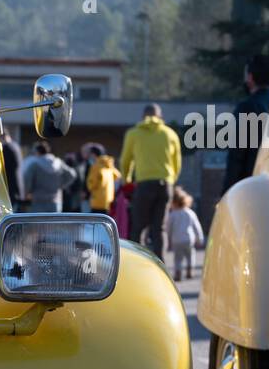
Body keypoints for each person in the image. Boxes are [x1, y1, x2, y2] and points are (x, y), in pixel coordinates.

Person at [120, 103, 181, 259]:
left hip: (144, 185)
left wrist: (126, 179)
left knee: (138, 227)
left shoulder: (134, 133)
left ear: (143, 117)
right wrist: (171, 180)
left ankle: (136, 262)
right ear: (160, 117)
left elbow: (126, 160)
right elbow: (177, 163)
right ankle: (162, 266)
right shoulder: (170, 134)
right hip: (165, 184)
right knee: (159, 229)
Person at [223, 53, 269, 193]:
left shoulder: (248, 107)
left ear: (250, 78)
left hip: (250, 187)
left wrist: (227, 191)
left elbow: (237, 155)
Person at [21, 140, 78, 213]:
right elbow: (72, 174)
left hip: (38, 200)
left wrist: (26, 193)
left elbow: (27, 180)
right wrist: (62, 185)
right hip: (56, 201)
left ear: (37, 152)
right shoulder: (58, 162)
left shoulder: (34, 165)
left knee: (38, 223)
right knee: (54, 223)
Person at [163, 187, 205, 282]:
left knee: (178, 258)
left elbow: (168, 228)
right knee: (190, 255)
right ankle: (190, 269)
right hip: (189, 238)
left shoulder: (172, 214)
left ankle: (178, 272)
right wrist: (200, 238)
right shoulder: (190, 213)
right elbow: (196, 226)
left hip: (176, 240)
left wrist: (168, 239)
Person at [83, 142, 121, 215]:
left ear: (94, 154)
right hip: (108, 200)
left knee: (95, 223)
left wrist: (89, 188)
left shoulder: (95, 166)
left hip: (97, 201)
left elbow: (92, 185)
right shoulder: (109, 164)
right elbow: (118, 176)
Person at [0, 136, 25, 209]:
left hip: (9, 187)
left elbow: (6, 167)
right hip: (17, 186)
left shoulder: (7, 148)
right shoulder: (16, 146)